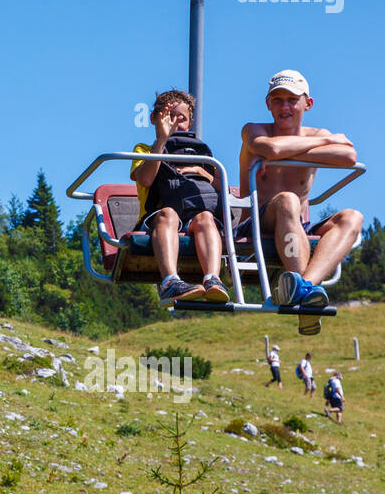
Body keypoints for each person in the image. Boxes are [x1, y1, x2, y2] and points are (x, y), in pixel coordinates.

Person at [239, 70, 364, 335]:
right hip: (258, 222)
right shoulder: (254, 129)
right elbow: (269, 149)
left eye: (292, 100)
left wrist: (305, 143)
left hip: (297, 225)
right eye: (278, 100)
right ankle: (303, 294)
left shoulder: (314, 132)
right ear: (268, 104)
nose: (285, 106)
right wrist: (325, 141)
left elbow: (349, 155)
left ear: (307, 104)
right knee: (287, 199)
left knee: (352, 217)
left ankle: (304, 287)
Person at [131, 90, 230, 306]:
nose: (175, 123)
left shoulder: (201, 153)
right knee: (168, 214)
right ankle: (170, 282)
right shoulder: (145, 150)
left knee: (205, 217)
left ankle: (213, 278)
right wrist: (161, 140)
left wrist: (203, 171)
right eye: (169, 117)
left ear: (191, 122)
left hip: (197, 217)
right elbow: (146, 179)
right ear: (154, 119)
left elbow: (226, 192)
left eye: (181, 118)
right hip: (162, 218)